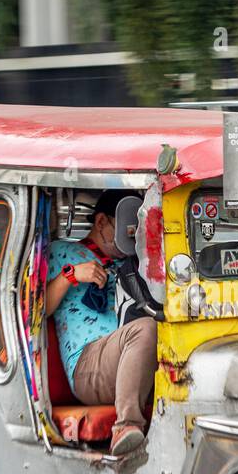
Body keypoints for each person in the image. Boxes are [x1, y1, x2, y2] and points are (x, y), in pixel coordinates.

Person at [45, 190, 156, 455]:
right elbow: (37, 311)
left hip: (129, 355)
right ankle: (126, 426)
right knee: (145, 330)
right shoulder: (61, 253)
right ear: (101, 223)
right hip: (88, 365)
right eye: (127, 229)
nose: (132, 236)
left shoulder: (135, 263)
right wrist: (70, 276)